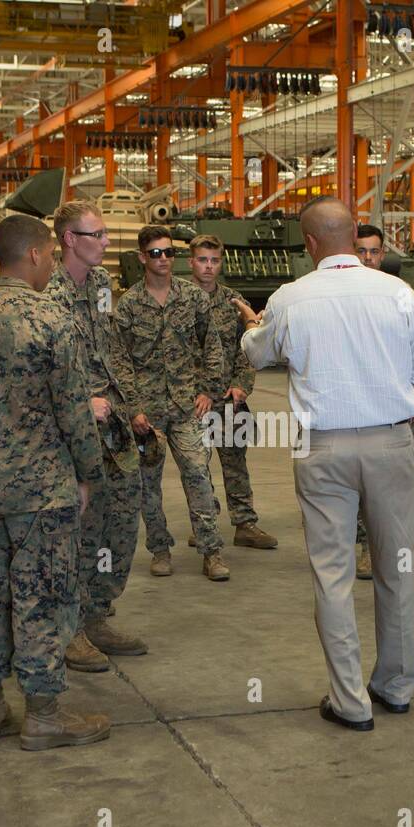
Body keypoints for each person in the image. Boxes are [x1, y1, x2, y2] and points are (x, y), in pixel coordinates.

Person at [240, 197, 414, 731]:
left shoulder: (290, 297)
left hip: (322, 447)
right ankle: (395, 687)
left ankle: (350, 703)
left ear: (309, 245)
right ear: (355, 235)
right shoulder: (398, 292)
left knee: (333, 573)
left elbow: (258, 354)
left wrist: (253, 328)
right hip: (391, 442)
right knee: (397, 566)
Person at [0, 214, 111, 751]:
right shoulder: (50, 318)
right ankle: (42, 712)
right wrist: (90, 473)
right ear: (38, 255)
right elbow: (74, 411)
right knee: (41, 595)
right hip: (40, 487)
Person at [45, 201, 146, 668]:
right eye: (97, 235)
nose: (106, 243)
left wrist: (132, 405)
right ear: (69, 239)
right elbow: (37, 368)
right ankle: (69, 628)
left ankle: (98, 613)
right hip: (71, 423)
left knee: (121, 520)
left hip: (114, 419)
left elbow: (111, 346)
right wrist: (81, 404)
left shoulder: (103, 284)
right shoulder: (45, 290)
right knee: (77, 529)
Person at [115, 225, 230, 582]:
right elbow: (119, 361)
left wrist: (209, 390)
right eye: (155, 254)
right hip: (147, 414)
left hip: (185, 407)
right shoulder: (130, 305)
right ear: (142, 258)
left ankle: (211, 551)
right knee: (148, 484)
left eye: (168, 253)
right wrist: (133, 408)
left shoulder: (193, 298)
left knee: (199, 477)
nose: (163, 259)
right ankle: (160, 549)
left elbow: (212, 345)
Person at [353, 223, 414, 581]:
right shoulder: (342, 296)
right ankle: (367, 550)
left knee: (411, 480)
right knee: (363, 482)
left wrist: (413, 397)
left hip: (399, 408)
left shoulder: (402, 294)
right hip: (358, 409)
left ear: (383, 254)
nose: (368, 258)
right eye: (361, 251)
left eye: (374, 251)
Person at [185, 234, 278, 549]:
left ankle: (245, 524)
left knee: (235, 462)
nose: (209, 267)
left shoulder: (234, 300)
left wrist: (242, 384)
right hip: (192, 399)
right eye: (202, 260)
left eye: (214, 260)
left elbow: (247, 348)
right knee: (197, 466)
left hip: (227, 398)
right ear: (191, 262)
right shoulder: (178, 299)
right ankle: (205, 526)